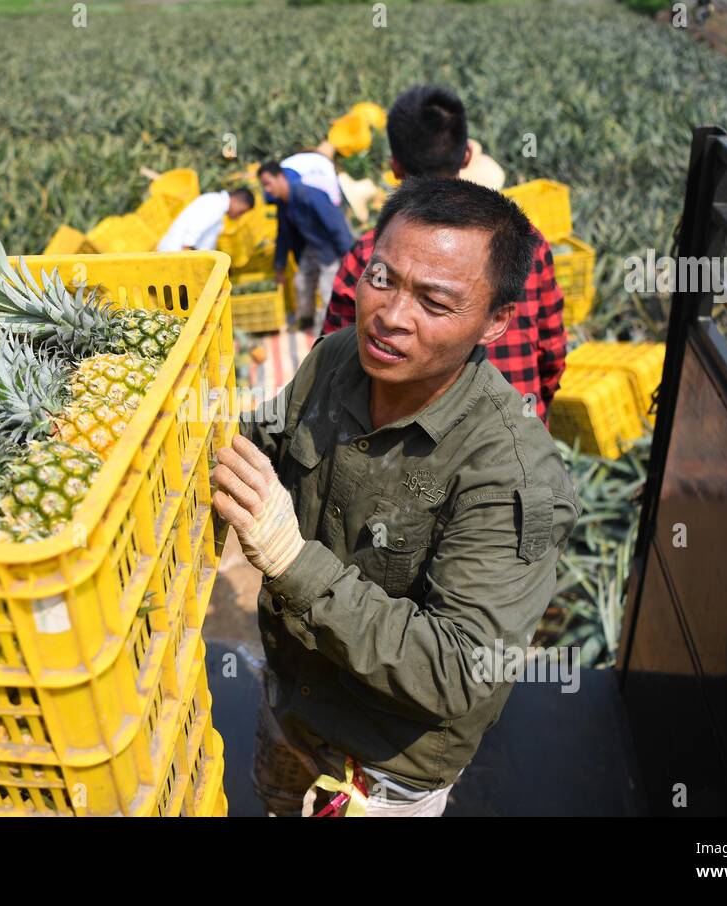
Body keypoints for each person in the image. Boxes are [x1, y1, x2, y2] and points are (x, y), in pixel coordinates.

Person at [213, 176, 579, 817]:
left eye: (435, 303)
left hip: (378, 771)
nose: (391, 315)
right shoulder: (335, 359)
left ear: (496, 322)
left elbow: (458, 669)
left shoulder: (514, 477)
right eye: (382, 278)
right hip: (292, 704)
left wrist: (292, 561)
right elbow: (262, 440)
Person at [322, 85, 567, 422]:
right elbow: (551, 350)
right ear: (466, 155)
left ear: (394, 166)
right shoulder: (526, 242)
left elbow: (334, 361)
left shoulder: (371, 251)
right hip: (519, 422)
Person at [258, 161, 354, 335]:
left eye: (268, 183)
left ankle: (323, 335)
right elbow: (283, 235)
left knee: (327, 294)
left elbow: (337, 225)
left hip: (330, 249)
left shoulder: (309, 195)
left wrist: (349, 258)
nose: (267, 190)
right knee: (301, 282)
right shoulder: (283, 204)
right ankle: (306, 318)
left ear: (280, 177)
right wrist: (279, 267)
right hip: (311, 248)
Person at [156, 188, 254, 252]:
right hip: (176, 253)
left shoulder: (217, 204)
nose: (239, 216)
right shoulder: (216, 204)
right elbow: (194, 229)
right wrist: (186, 254)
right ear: (237, 201)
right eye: (241, 212)